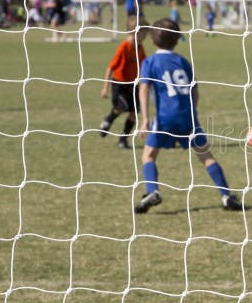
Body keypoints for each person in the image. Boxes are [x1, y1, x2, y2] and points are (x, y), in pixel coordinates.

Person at [135, 18, 243, 213]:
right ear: (177, 40)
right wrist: (190, 112)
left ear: (152, 40)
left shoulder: (149, 62)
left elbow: (143, 89)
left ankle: (152, 191)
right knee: (206, 156)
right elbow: (195, 92)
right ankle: (226, 195)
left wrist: (145, 120)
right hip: (188, 117)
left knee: (148, 155)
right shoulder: (183, 62)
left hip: (165, 117)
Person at [100, 16, 148, 149]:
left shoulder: (140, 47)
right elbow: (110, 67)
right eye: (143, 34)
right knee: (121, 106)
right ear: (134, 32)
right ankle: (108, 119)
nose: (145, 37)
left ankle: (123, 139)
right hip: (119, 84)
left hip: (133, 85)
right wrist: (105, 87)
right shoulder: (123, 47)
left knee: (134, 113)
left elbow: (145, 64)